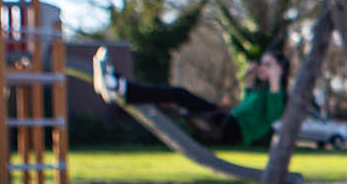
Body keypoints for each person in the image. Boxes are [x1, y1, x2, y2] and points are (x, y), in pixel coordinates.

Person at [93, 47, 286, 147]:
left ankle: (120, 86)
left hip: (229, 128)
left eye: (268, 65)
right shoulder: (262, 92)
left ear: (279, 70)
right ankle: (120, 85)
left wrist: (276, 78)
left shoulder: (278, 96)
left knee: (180, 95)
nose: (262, 67)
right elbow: (248, 104)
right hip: (226, 121)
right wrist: (250, 80)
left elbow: (272, 114)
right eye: (263, 63)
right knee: (177, 97)